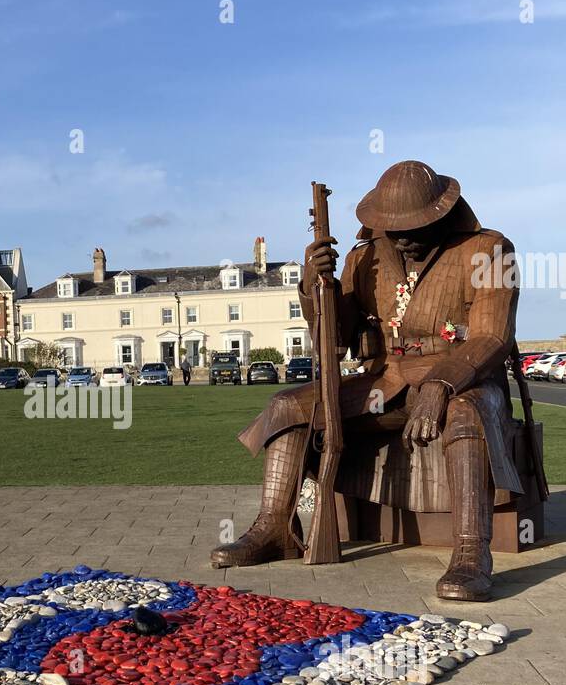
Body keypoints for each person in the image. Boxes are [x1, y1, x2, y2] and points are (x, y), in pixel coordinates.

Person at [210, 160, 524, 603]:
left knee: (465, 411)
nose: (403, 236)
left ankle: (472, 553)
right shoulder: (364, 257)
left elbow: (493, 335)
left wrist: (444, 382)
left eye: (415, 225)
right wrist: (316, 286)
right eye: (393, 228)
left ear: (442, 213)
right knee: (287, 405)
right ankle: (274, 528)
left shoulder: (489, 250)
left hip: (468, 381)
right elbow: (334, 338)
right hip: (386, 381)